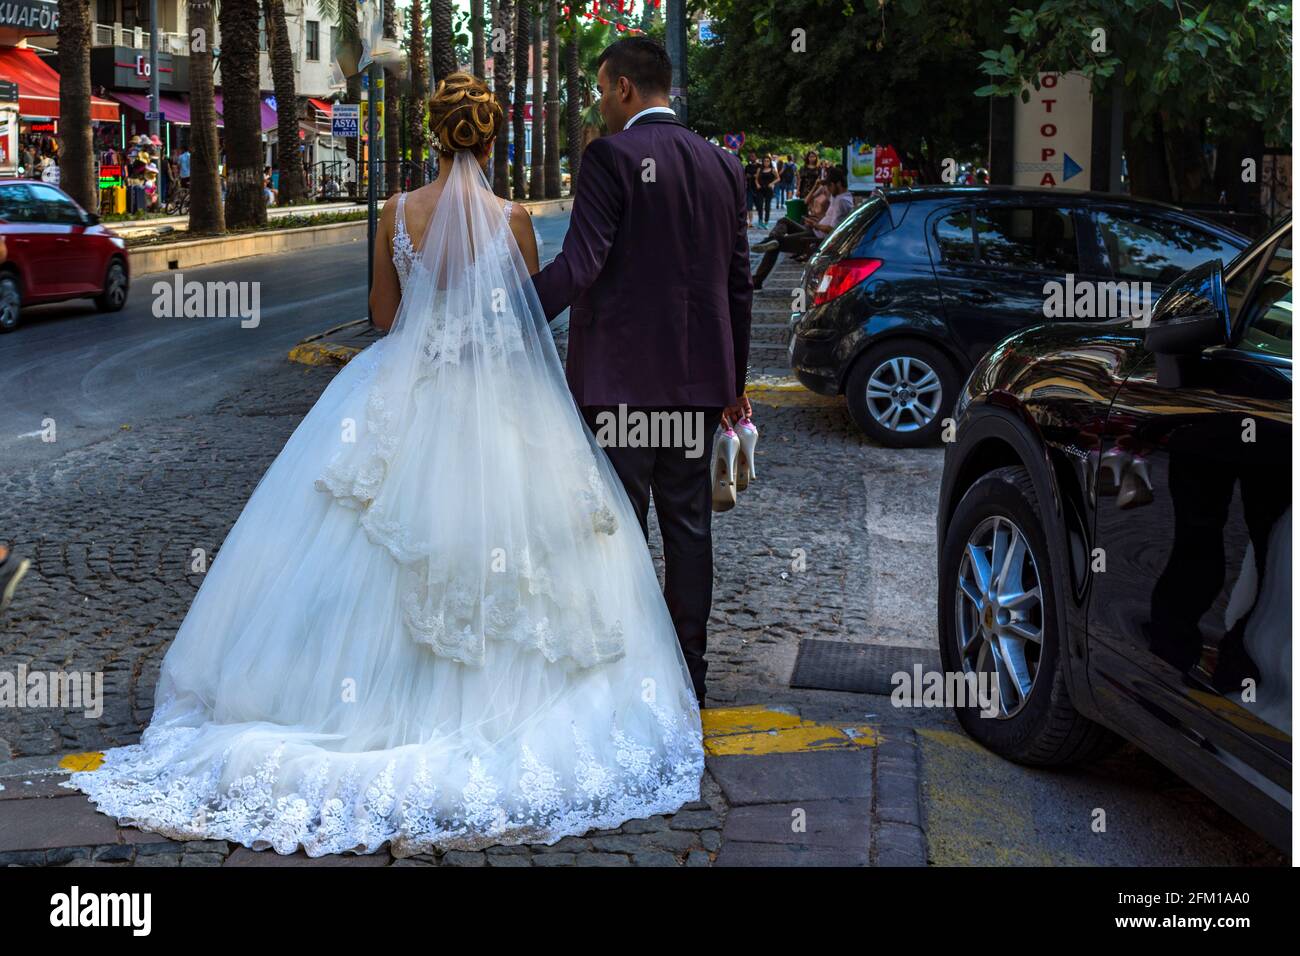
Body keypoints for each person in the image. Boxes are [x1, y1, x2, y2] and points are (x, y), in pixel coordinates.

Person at [64, 71, 704, 858]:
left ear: (434, 135)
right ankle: (498, 706)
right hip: (498, 399)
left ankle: (337, 702)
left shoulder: (398, 212)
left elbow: (382, 315)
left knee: (355, 545)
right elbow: (521, 317)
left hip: (404, 384)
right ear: (493, 137)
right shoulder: (514, 221)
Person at [531, 36, 752, 705]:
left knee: (614, 534)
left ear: (625, 87)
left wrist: (505, 315)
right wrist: (732, 385)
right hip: (694, 392)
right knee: (689, 531)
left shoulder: (611, 157)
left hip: (620, 393)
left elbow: (581, 265)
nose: (598, 104)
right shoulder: (723, 165)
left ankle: (622, 680)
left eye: (601, 89)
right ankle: (688, 677)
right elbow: (739, 285)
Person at [751, 164, 853, 290]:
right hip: (813, 230)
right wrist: (814, 221)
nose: (828, 189)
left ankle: (756, 281)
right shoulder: (838, 196)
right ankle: (771, 239)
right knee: (784, 221)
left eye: (829, 185)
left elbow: (834, 230)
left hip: (815, 237)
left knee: (775, 245)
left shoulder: (842, 202)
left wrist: (816, 225)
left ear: (837, 184)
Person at [755, 155, 777, 226]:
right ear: (762, 162)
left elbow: (778, 178)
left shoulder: (773, 169)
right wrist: (757, 184)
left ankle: (766, 222)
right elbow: (756, 179)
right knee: (760, 205)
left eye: (768, 161)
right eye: (765, 161)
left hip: (768, 189)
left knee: (767, 206)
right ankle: (760, 221)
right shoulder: (759, 169)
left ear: (770, 162)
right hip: (760, 189)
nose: (766, 162)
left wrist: (772, 183)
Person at [743, 151, 760, 227]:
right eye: (750, 156)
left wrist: (755, 176)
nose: (751, 157)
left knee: (759, 206)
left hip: (758, 189)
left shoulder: (760, 166)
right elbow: (744, 176)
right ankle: (750, 222)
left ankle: (760, 221)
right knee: (749, 206)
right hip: (749, 188)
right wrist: (747, 176)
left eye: (753, 156)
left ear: (756, 157)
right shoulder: (747, 167)